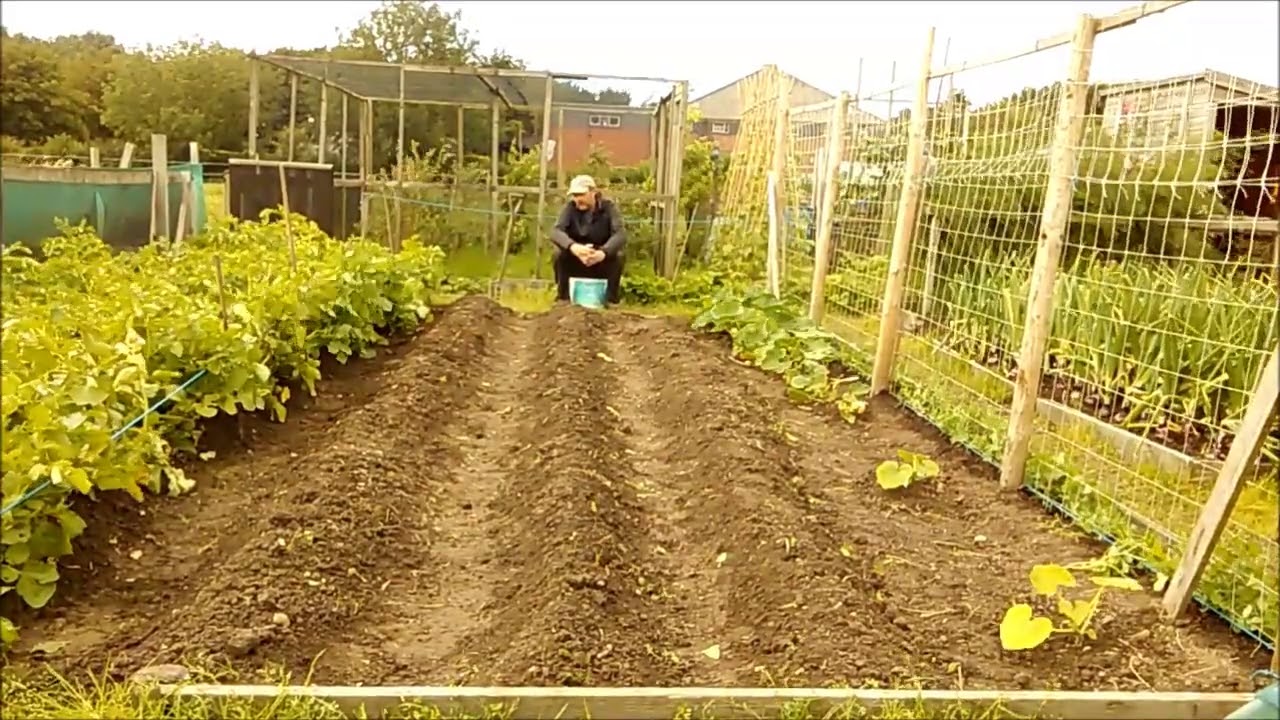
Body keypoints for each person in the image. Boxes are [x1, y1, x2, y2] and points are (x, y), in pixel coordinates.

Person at [549, 175, 626, 304]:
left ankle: (611, 300)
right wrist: (573, 247)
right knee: (559, 255)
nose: (577, 199)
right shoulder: (570, 208)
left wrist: (603, 253)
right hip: (576, 257)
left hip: (600, 257)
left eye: (581, 195)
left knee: (618, 256)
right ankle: (563, 299)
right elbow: (556, 231)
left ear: (593, 193)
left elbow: (620, 234)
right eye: (574, 195)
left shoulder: (608, 208)